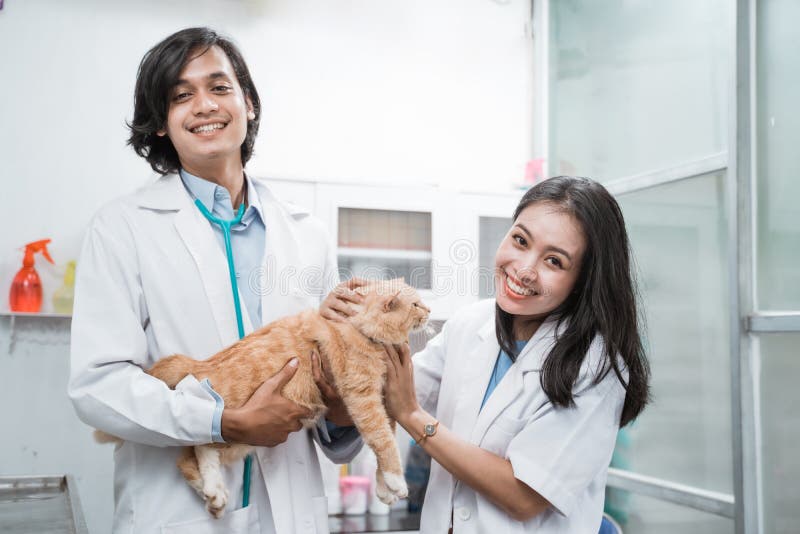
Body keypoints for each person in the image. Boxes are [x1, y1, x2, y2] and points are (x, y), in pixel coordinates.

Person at [68, 27, 362, 533]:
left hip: (291, 514)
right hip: (180, 514)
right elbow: (97, 386)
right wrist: (221, 422)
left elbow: (330, 396)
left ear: (249, 104)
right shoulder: (122, 228)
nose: (204, 105)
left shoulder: (307, 234)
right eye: (181, 96)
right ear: (161, 123)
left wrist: (342, 408)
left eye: (219, 87)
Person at [382, 176, 650, 532]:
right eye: (520, 240)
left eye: (554, 261)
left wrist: (413, 417)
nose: (524, 270)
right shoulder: (471, 322)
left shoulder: (595, 366)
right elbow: (388, 386)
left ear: (583, 280)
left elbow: (523, 496)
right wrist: (344, 332)